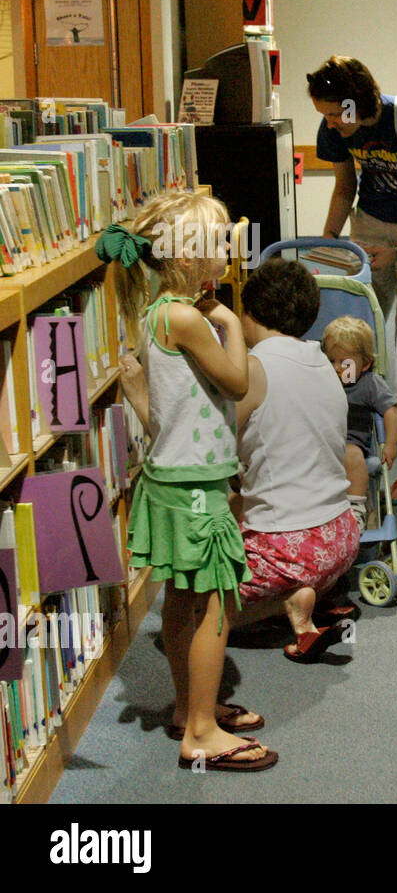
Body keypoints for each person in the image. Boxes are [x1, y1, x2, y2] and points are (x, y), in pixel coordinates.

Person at [106, 192, 276, 772]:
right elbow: (236, 383)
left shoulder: (162, 312)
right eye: (219, 242)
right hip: (197, 486)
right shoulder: (189, 317)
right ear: (187, 255)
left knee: (183, 599)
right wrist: (229, 321)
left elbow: (167, 414)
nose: (229, 250)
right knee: (214, 606)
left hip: (174, 478)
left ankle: (188, 708)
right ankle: (202, 732)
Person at [232, 259, 361, 663]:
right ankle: (309, 593)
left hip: (289, 548)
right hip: (341, 537)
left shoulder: (252, 369)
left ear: (247, 313)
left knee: (190, 607)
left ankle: (282, 598)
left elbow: (208, 449)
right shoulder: (322, 361)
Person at [309, 55, 397, 322]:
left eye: (335, 114)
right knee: (361, 320)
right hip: (370, 222)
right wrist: (330, 238)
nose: (329, 123)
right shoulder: (333, 128)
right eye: (324, 115)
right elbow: (345, 188)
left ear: (359, 102)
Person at [321, 316, 397, 531]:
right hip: (323, 443)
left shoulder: (369, 384)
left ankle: (356, 508)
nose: (337, 368)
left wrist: (391, 444)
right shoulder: (322, 380)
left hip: (351, 444)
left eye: (344, 363)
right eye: (330, 360)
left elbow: (390, 411)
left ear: (365, 364)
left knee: (352, 455)